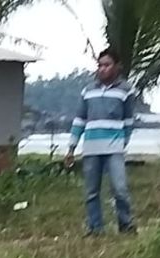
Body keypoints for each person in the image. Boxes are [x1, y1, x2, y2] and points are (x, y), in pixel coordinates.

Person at [64, 48, 137, 235]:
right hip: (91, 148)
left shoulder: (126, 90)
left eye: (107, 65)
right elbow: (80, 119)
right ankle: (95, 229)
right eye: (100, 65)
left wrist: (123, 142)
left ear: (117, 67)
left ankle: (126, 224)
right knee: (91, 192)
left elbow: (128, 121)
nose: (102, 69)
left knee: (120, 189)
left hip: (114, 148)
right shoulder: (88, 91)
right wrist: (71, 148)